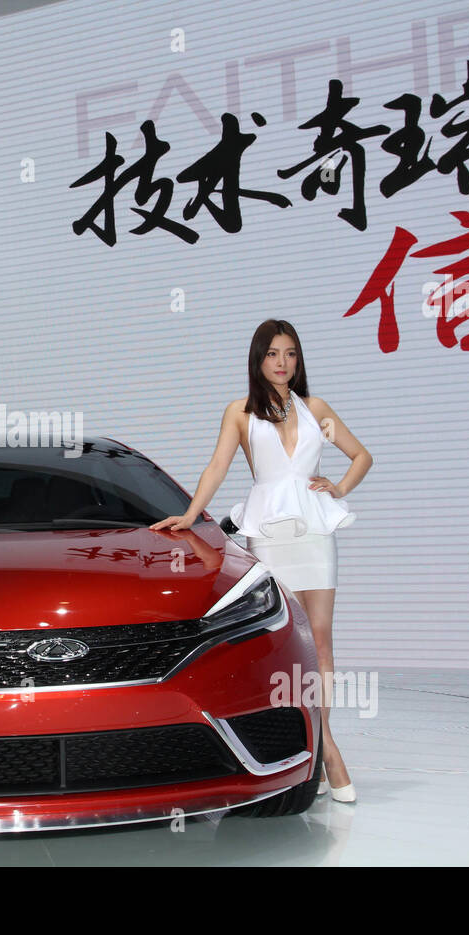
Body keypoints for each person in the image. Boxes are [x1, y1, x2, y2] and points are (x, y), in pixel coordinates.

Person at [151, 319, 372, 803]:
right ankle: (327, 750)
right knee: (283, 638)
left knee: (321, 642)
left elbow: (361, 456)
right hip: (269, 534)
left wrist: (338, 488)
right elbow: (217, 466)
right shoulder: (240, 412)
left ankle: (322, 743)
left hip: (315, 532)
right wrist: (189, 515)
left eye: (291, 353)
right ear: (258, 359)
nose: (282, 362)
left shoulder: (317, 410)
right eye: (273, 353)